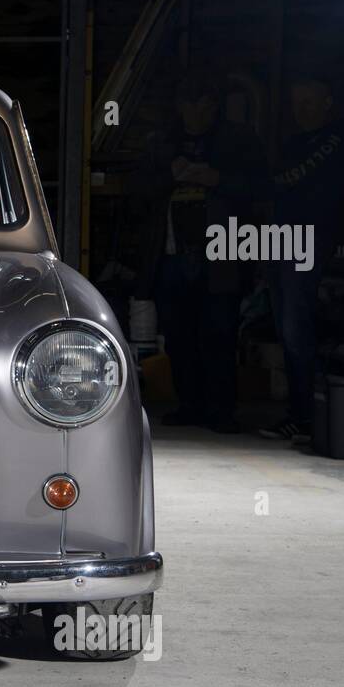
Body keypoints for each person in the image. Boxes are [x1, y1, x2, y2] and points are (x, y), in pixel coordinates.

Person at [141, 71, 269, 433]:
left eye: (205, 104)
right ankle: (191, 405)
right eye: (190, 103)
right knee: (179, 335)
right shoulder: (163, 142)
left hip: (222, 254)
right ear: (180, 106)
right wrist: (170, 174)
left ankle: (221, 411)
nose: (197, 111)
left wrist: (216, 179)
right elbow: (138, 190)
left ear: (216, 105)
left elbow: (262, 188)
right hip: (170, 252)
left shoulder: (239, 139)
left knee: (219, 333)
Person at [257, 78, 344, 442]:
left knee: (297, 331)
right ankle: (301, 416)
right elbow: (276, 189)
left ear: (328, 100)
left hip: (309, 246)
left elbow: (280, 182)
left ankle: (309, 417)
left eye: (310, 99)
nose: (303, 108)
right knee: (286, 330)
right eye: (298, 100)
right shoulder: (294, 143)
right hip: (282, 245)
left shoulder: (338, 139)